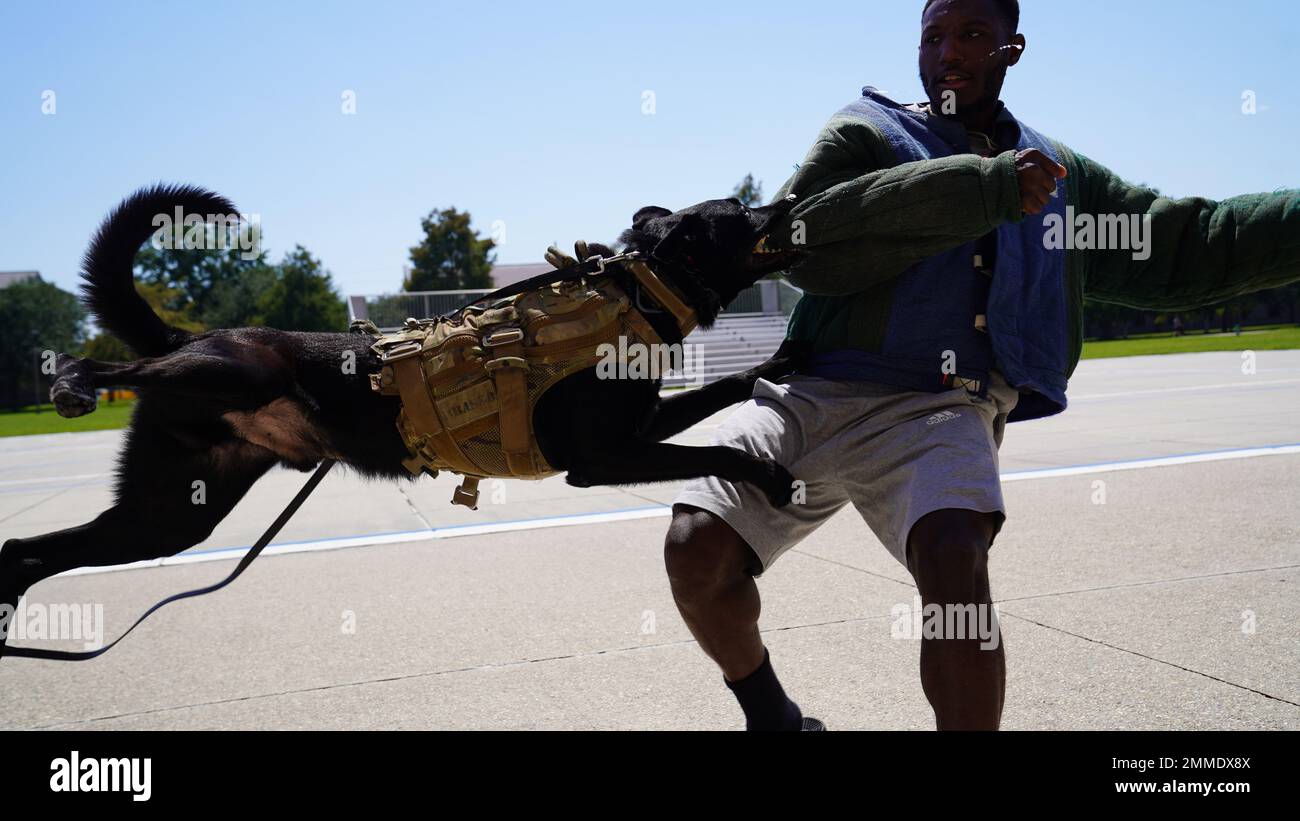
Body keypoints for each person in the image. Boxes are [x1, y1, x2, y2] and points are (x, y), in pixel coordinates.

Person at [664, 0, 1300, 730]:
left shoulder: (1058, 173)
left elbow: (1190, 246)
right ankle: (773, 715)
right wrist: (982, 188)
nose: (948, 52)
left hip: (941, 406)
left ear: (1013, 48)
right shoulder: (869, 131)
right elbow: (798, 237)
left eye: (971, 34)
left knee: (955, 555)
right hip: (812, 389)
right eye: (933, 35)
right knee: (696, 545)